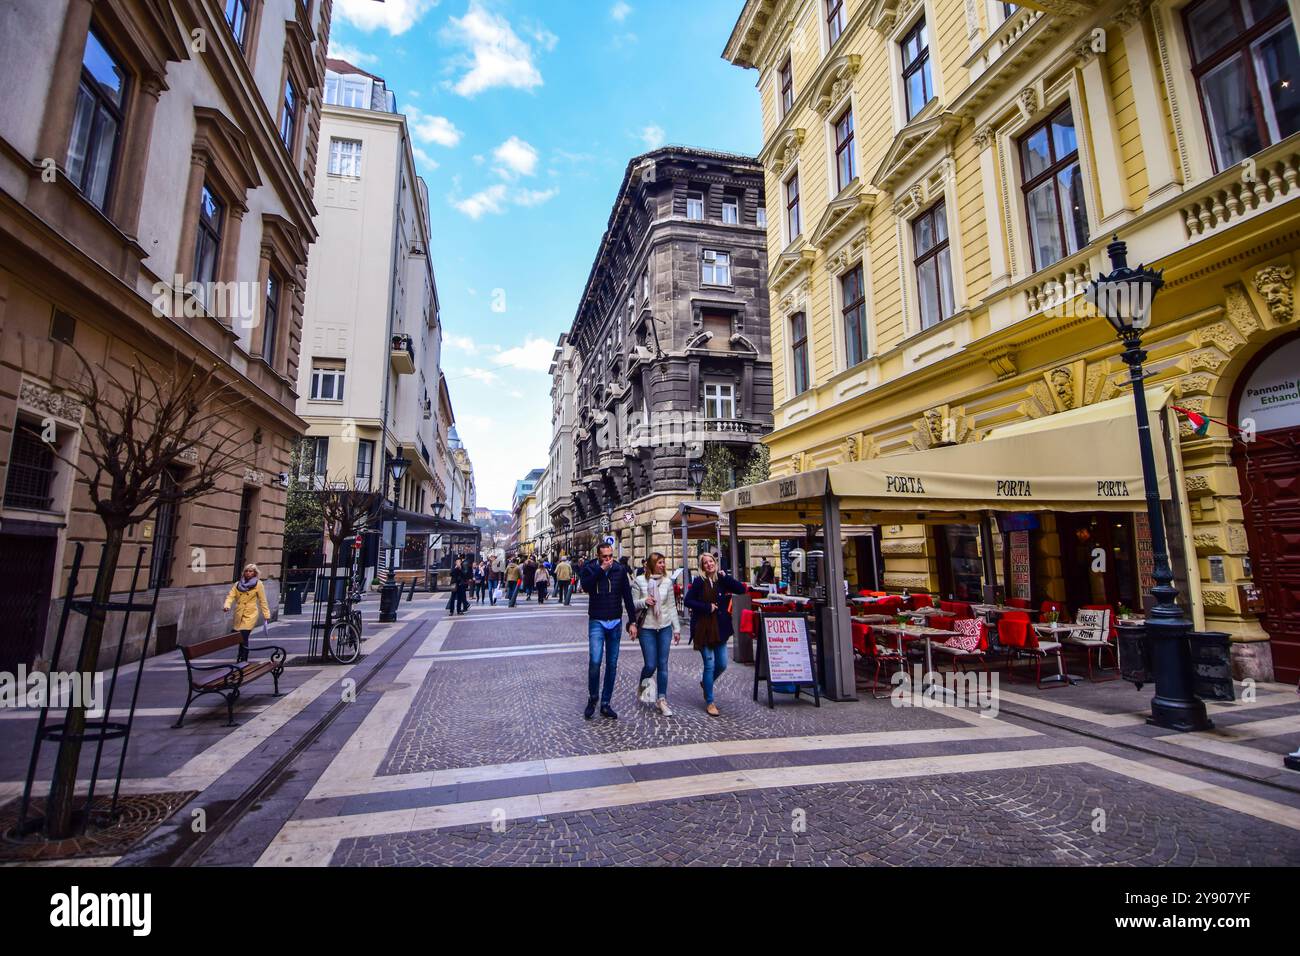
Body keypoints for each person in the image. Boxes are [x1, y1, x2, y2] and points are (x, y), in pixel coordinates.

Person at [578, 543, 638, 720]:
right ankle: (593, 698)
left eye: (610, 556)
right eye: (604, 556)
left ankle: (605, 702)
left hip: (615, 621)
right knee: (595, 661)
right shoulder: (590, 568)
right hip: (597, 620)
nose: (608, 560)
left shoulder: (620, 570)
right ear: (598, 556)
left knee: (612, 664)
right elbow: (586, 586)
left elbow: (627, 597)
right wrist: (600, 570)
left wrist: (633, 622)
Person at [684, 552, 747, 716]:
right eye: (705, 563)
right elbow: (687, 601)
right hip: (703, 629)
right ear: (702, 566)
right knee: (709, 664)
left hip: (720, 629)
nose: (709, 564)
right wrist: (707, 607)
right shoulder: (699, 581)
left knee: (722, 664)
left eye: (711, 561)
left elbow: (741, 589)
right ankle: (710, 701)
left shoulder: (721, 580)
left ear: (715, 562)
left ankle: (706, 683)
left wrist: (726, 577)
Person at [631, 552, 681, 716]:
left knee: (663, 664)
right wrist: (644, 601)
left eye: (663, 562)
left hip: (664, 626)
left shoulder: (667, 581)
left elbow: (671, 606)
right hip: (647, 628)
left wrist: (676, 628)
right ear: (652, 564)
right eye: (660, 562)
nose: (663, 565)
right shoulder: (639, 581)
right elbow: (631, 604)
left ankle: (661, 699)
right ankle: (643, 685)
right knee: (650, 664)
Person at [224, 563, 272, 663]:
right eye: (246, 571)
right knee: (240, 637)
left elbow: (263, 600)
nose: (248, 573)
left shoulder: (258, 584)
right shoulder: (237, 584)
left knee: (244, 635)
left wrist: (266, 615)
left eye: (251, 571)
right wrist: (227, 605)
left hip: (250, 614)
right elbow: (230, 596)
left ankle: (243, 658)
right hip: (239, 614)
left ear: (255, 573)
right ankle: (241, 657)